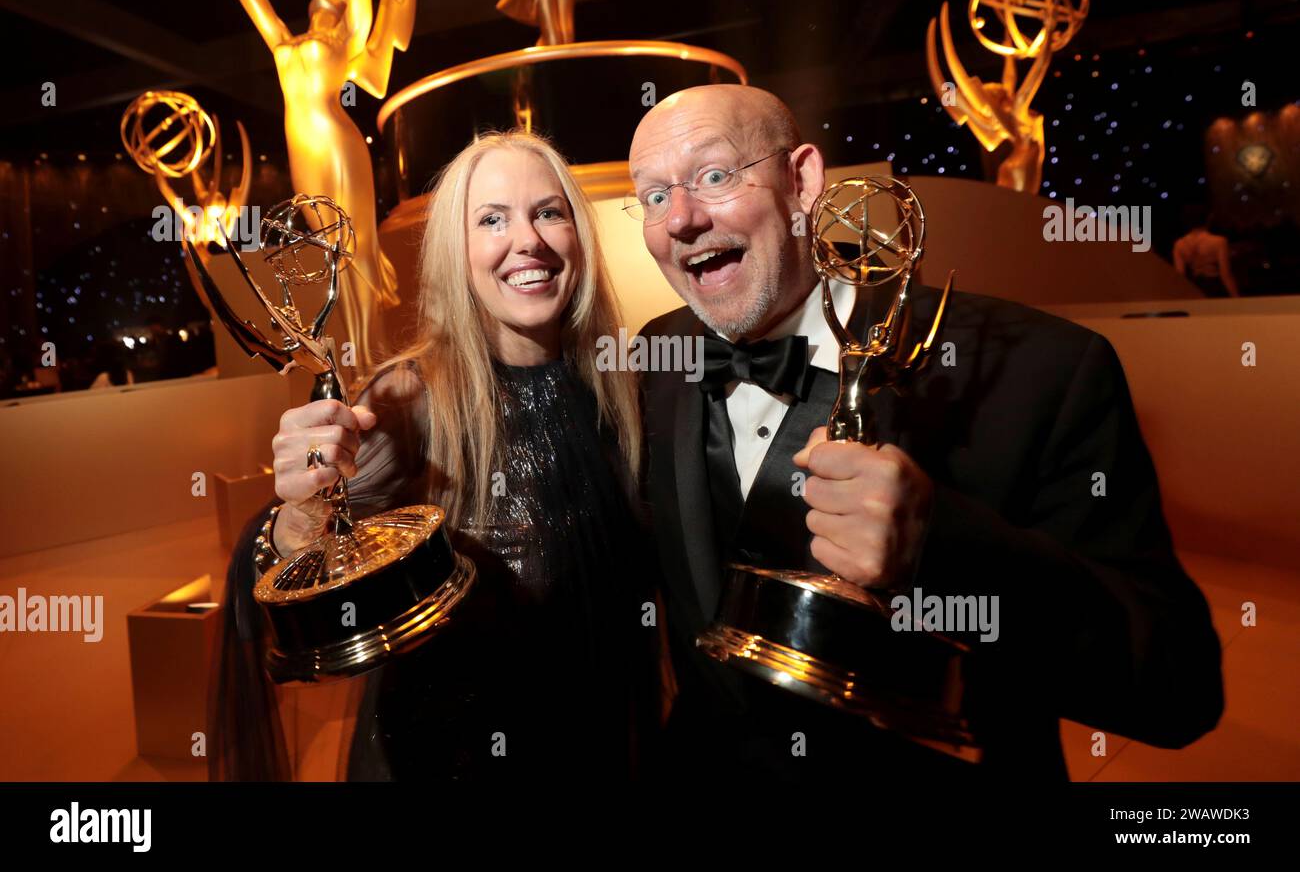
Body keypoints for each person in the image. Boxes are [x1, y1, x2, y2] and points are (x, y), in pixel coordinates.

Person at [628, 84, 1224, 782]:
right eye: (654, 196)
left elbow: (1177, 688)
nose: (682, 219)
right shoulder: (657, 356)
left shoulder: (1039, 367)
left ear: (802, 180)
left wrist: (943, 546)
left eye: (714, 176)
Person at [209, 130, 659, 782]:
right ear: (459, 250)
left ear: (579, 235)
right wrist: (301, 509)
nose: (526, 240)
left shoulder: (620, 388)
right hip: (454, 758)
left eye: (549, 212)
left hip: (596, 740)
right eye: (492, 219)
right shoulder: (413, 396)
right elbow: (295, 585)